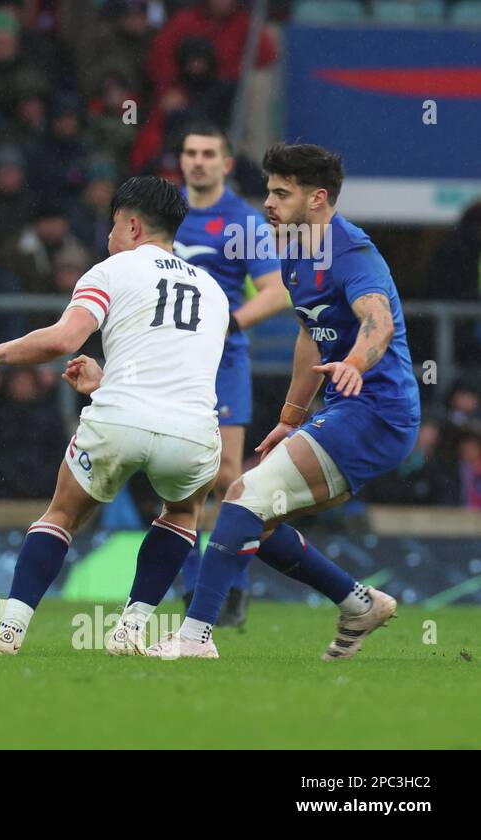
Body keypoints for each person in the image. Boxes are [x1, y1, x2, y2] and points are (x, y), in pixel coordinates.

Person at [150, 144, 420, 660]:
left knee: (243, 494)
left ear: (317, 199)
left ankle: (194, 637)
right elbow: (309, 335)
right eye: (269, 191)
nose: (268, 203)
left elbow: (378, 322)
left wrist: (354, 364)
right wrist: (289, 419)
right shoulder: (295, 249)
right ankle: (358, 604)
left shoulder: (352, 254)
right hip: (344, 411)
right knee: (261, 518)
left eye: (281, 193)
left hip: (378, 413)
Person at [0, 176, 230, 655]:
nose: (108, 238)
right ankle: (129, 630)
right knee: (184, 514)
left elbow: (64, 339)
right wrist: (109, 379)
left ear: (131, 224)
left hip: (118, 421)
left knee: (62, 514)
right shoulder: (214, 292)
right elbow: (173, 370)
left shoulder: (112, 269)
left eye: (111, 227)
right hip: (192, 431)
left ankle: (10, 632)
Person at [173, 123, 287, 627]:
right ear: (181, 161)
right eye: (190, 152)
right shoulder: (163, 212)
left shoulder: (243, 220)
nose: (198, 161)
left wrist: (226, 324)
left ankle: (232, 586)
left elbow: (275, 291)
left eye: (208, 154)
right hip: (168, 361)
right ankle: (192, 582)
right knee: (175, 474)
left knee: (225, 475)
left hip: (223, 360)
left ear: (224, 164)